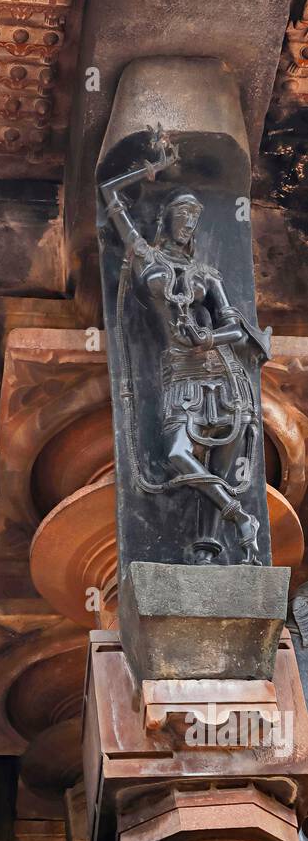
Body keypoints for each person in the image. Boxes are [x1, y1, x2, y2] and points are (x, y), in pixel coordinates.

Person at [99, 132, 270, 564]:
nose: (189, 222)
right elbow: (109, 194)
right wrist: (149, 169)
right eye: (183, 213)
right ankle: (239, 517)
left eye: (194, 216)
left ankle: (209, 548)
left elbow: (236, 328)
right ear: (168, 219)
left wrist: (210, 337)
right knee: (177, 455)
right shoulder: (146, 257)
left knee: (219, 464)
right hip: (179, 371)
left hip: (219, 369)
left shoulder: (207, 275)